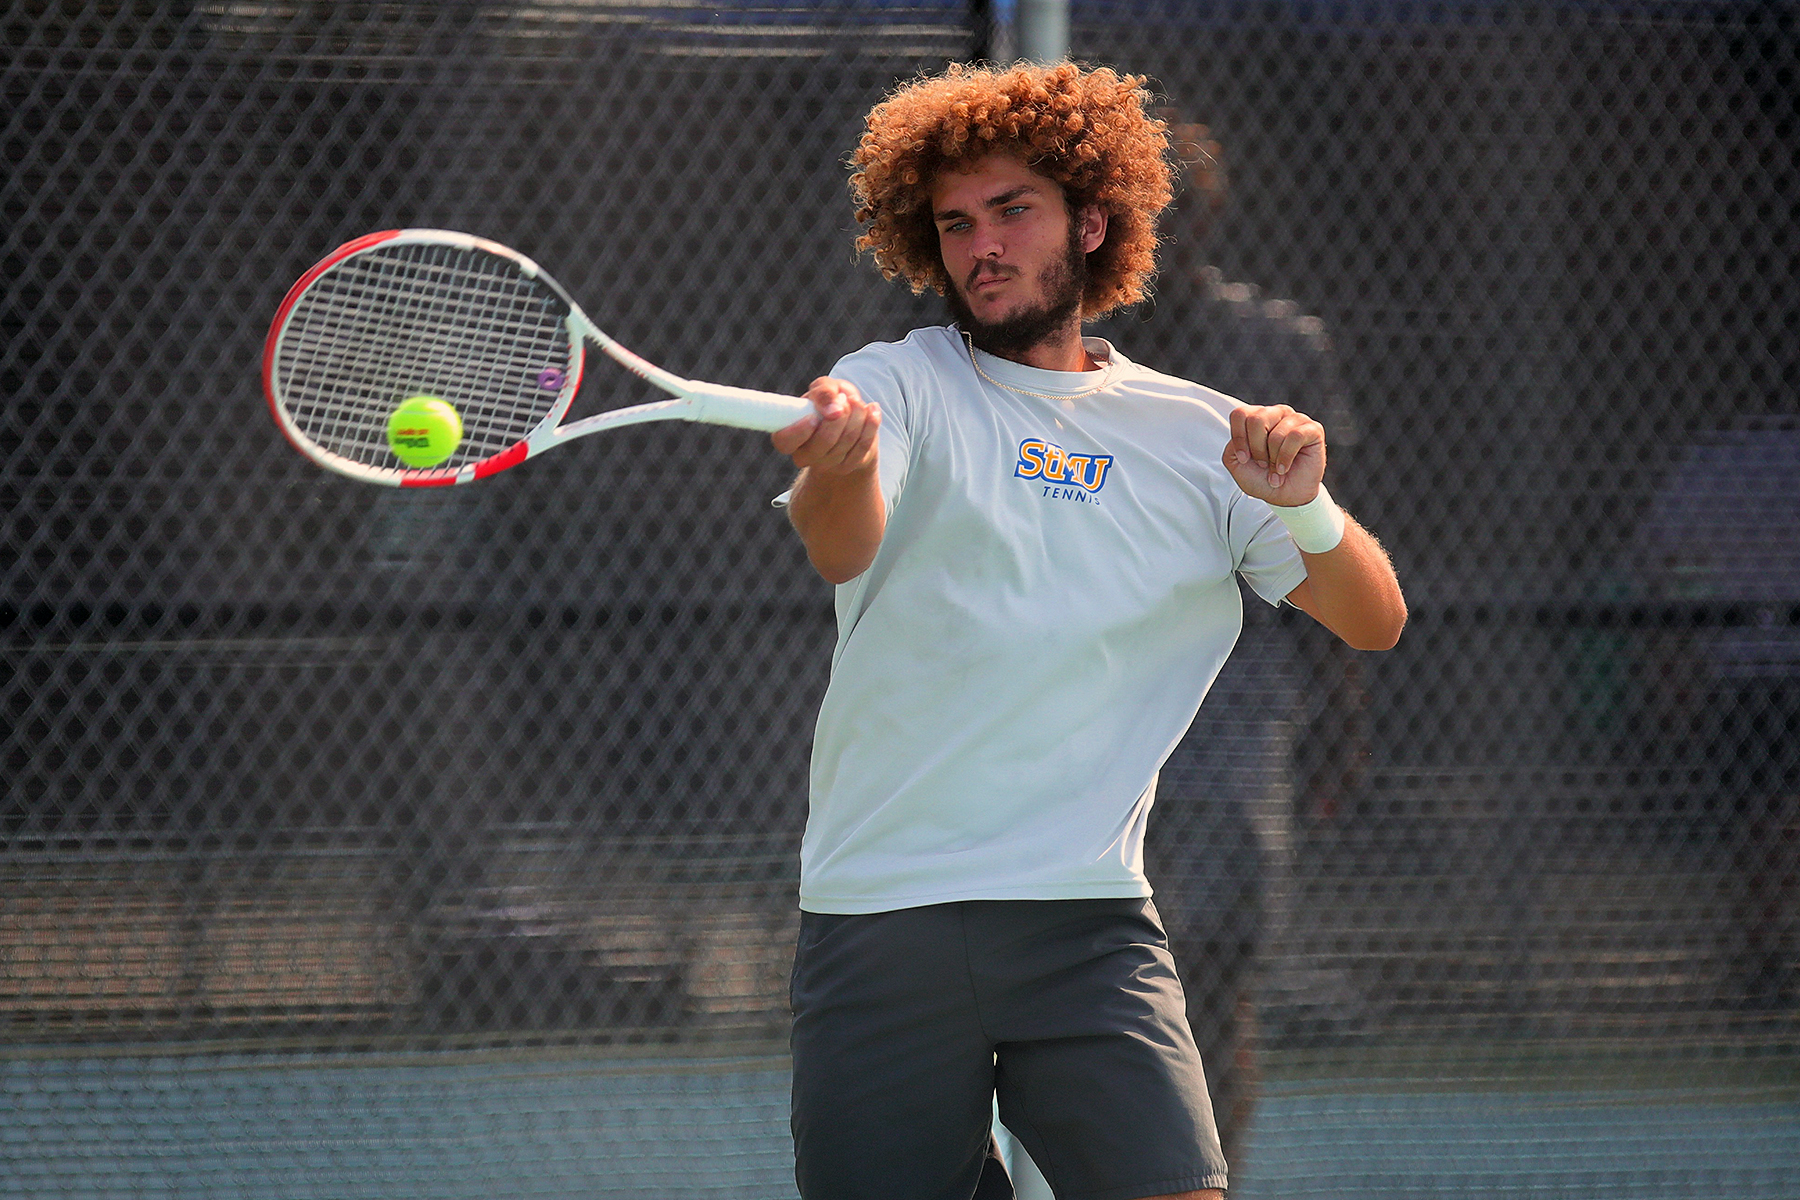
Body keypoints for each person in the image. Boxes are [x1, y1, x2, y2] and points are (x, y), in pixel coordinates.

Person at [767, 62, 1406, 1200]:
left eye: (1012, 210)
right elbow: (840, 543)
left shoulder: (1200, 435)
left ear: (1092, 222)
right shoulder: (895, 386)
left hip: (1088, 929)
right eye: (956, 223)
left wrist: (1304, 501)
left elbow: (1371, 618)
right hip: (884, 924)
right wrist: (841, 467)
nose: (982, 246)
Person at [1125, 114, 1372, 1168]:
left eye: (1172, 218)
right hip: (1080, 696)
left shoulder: (1276, 352)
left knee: (1216, 964)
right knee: (1065, 968)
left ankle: (1203, 1176)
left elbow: (1327, 544)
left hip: (1236, 697)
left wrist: (1341, 715)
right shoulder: (1048, 356)